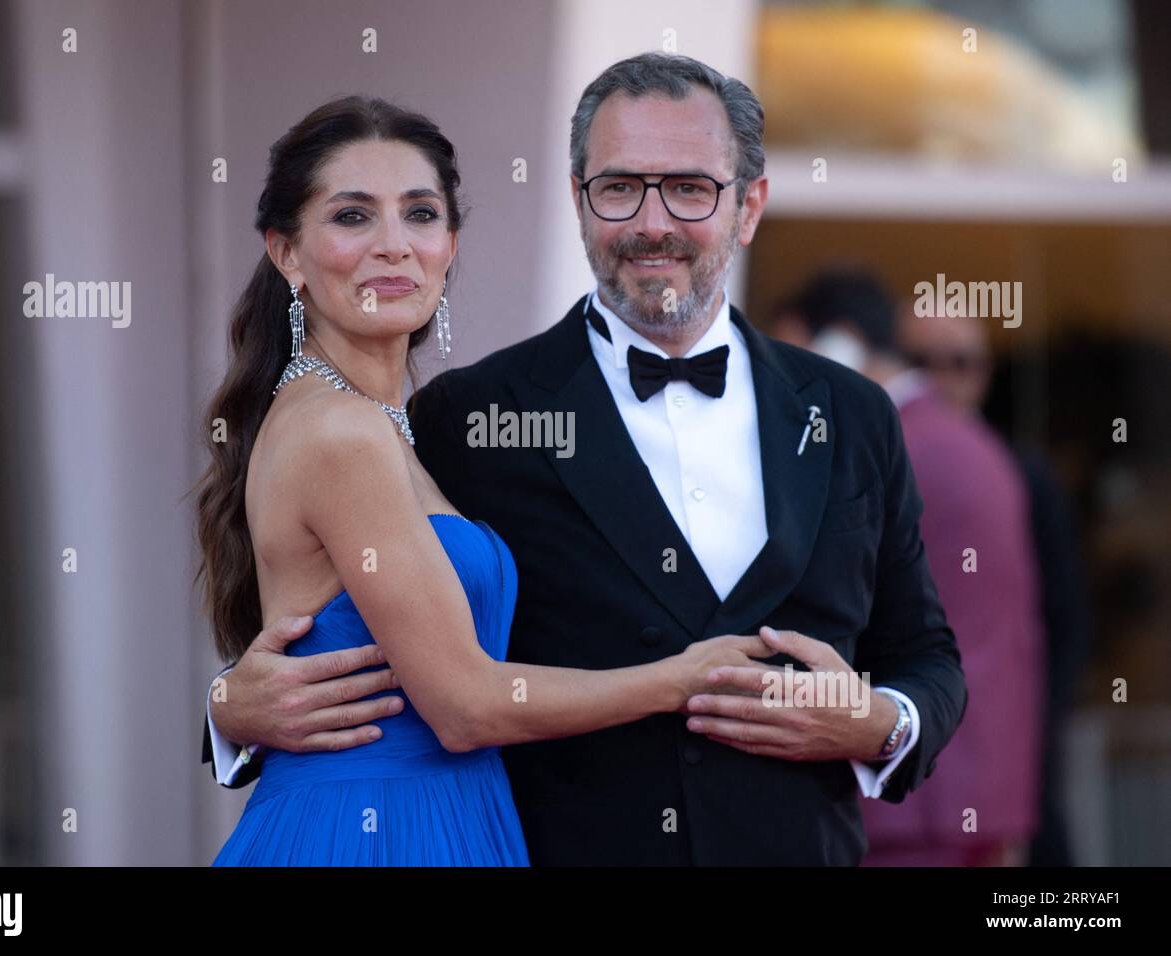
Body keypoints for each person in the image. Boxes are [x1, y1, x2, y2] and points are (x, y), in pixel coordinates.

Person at [204, 53, 968, 866]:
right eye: (619, 187)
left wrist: (883, 723)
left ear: (749, 207)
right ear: (577, 200)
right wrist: (228, 712)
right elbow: (344, 626)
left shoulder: (853, 414)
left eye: (689, 188)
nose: (652, 223)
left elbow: (925, 653)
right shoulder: (468, 416)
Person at [194, 95, 761, 866]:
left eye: (420, 215)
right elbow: (462, 706)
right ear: (287, 252)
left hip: (451, 813)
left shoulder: (414, 423)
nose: (393, 246)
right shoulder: (339, 430)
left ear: (450, 244)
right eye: (353, 217)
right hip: (377, 832)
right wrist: (684, 677)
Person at [778, 268, 1044, 865]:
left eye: (786, 354)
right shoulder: (970, 440)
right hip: (969, 779)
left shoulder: (886, 442)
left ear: (838, 344)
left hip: (910, 787)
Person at [898, 302, 1093, 866]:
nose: (942, 378)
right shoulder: (891, 457)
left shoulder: (1018, 471)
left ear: (984, 373)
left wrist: (1042, 710)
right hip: (921, 732)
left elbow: (1061, 610)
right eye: (922, 361)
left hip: (1006, 716)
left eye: (961, 362)